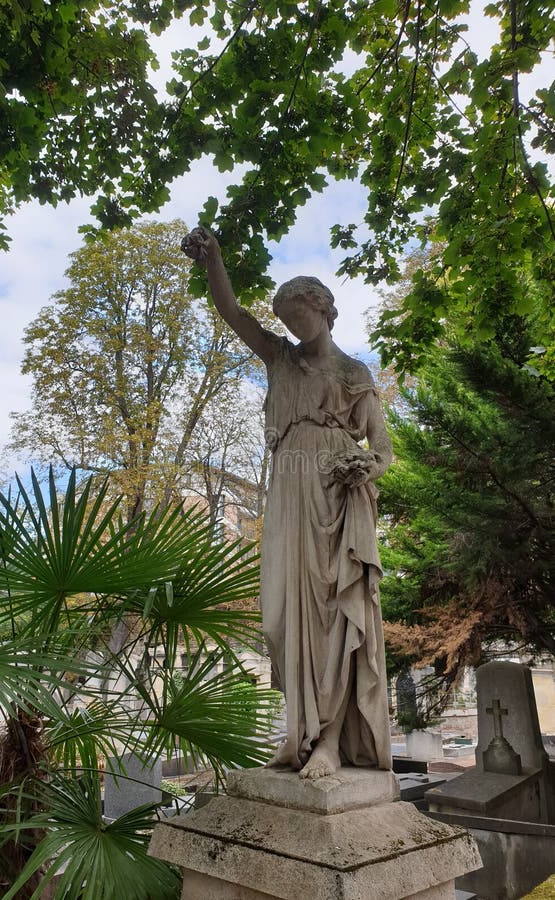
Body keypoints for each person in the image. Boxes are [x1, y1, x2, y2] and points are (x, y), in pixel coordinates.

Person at [182, 226, 393, 780]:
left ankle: (325, 741)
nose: (293, 331)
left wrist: (362, 467)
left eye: (301, 319)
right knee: (278, 615)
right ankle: (295, 729)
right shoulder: (279, 358)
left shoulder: (354, 374)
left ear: (323, 312)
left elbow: (384, 450)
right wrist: (214, 259)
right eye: (287, 323)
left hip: (336, 497)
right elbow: (231, 312)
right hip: (287, 489)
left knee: (331, 614)